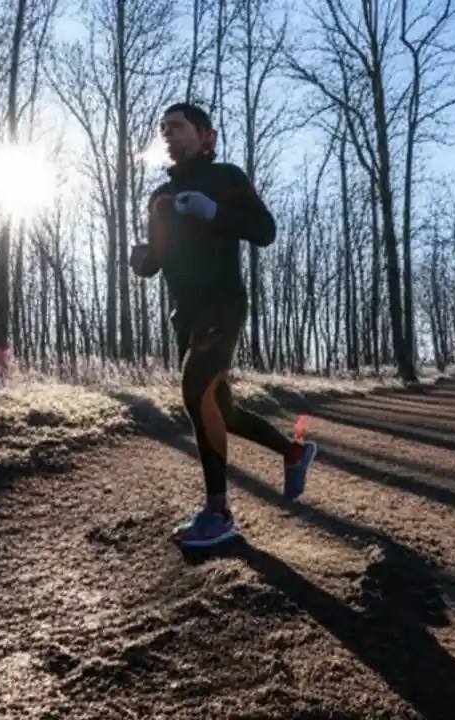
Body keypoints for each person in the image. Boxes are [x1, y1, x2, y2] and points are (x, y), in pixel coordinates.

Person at [130, 102, 318, 548]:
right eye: (163, 129)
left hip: (223, 304)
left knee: (195, 390)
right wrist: (143, 260)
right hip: (187, 315)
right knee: (223, 411)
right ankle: (294, 452)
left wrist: (212, 212)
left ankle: (218, 514)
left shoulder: (226, 178)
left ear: (205, 136)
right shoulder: (159, 197)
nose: (168, 134)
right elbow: (157, 259)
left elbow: (266, 230)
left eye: (177, 126)